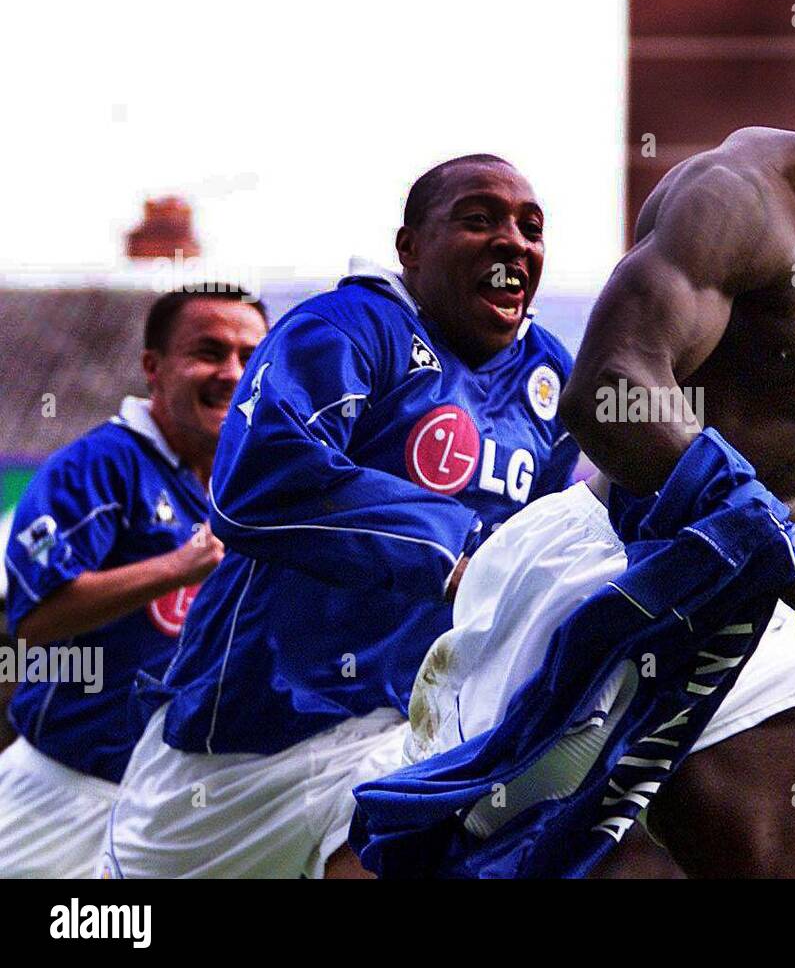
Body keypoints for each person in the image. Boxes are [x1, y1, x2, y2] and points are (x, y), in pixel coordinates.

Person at [390, 0, 795, 878]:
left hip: (758, 612)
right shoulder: (738, 197)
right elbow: (610, 390)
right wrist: (788, 547)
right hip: (607, 571)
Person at [102, 155, 579, 878]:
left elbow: (548, 543)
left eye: (531, 228)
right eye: (479, 220)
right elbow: (259, 477)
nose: (513, 241)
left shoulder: (549, 379)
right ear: (409, 248)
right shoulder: (345, 328)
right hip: (236, 738)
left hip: (399, 723)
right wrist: (451, 551)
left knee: (406, 843)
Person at [0, 288, 267, 877]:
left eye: (250, 356)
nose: (232, 373)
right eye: (209, 352)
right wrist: (177, 566)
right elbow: (35, 622)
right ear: (154, 367)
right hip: (67, 792)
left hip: (186, 802)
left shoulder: (257, 482)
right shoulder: (98, 466)